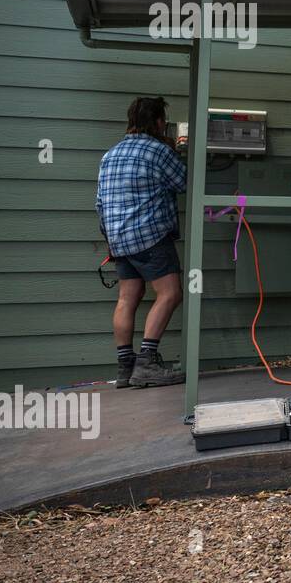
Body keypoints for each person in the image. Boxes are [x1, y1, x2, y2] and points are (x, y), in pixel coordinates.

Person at [96, 96, 187, 388]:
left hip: (118, 240)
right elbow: (185, 182)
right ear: (159, 122)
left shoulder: (110, 154)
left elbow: (100, 202)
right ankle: (146, 362)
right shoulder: (158, 152)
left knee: (127, 298)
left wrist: (112, 239)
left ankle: (125, 367)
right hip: (149, 236)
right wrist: (177, 151)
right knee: (170, 293)